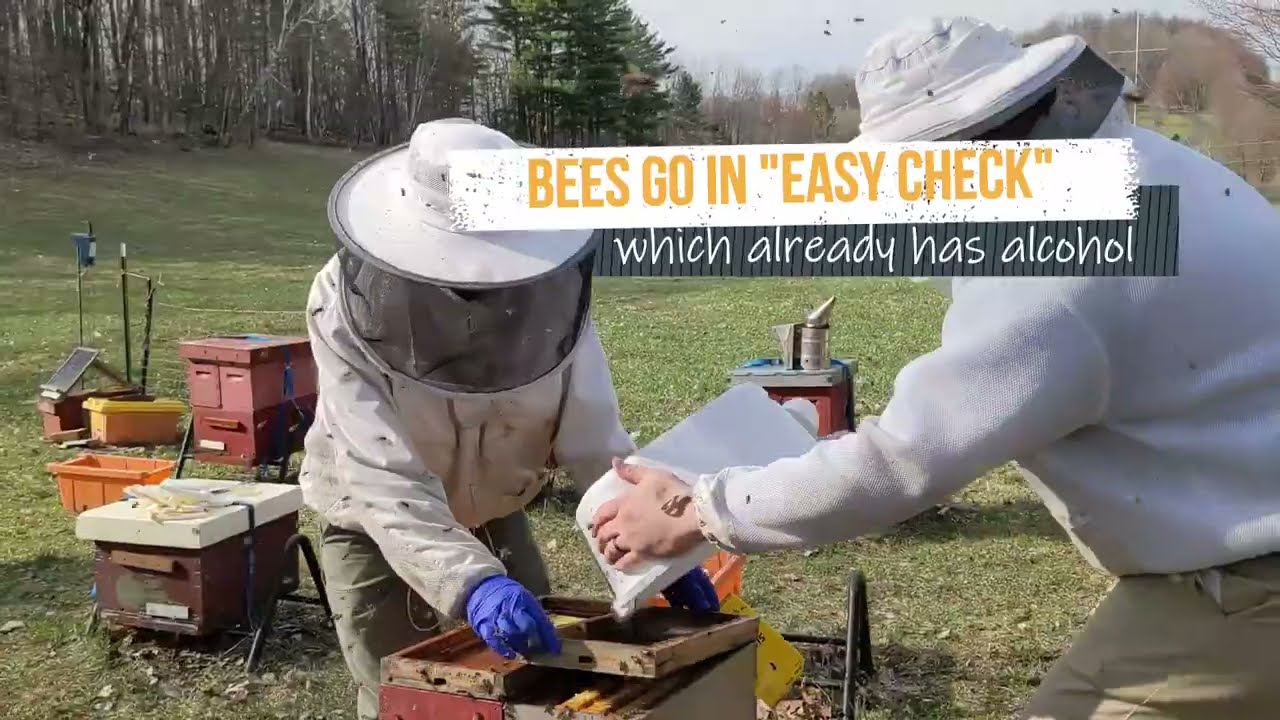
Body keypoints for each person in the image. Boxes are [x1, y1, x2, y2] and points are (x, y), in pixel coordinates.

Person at [590, 16, 1280, 720]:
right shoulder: (1153, 166)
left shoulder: (1059, 262)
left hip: (1247, 581)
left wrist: (701, 512)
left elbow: (902, 464)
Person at [300, 118, 719, 720]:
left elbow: (595, 444)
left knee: (537, 683)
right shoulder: (343, 304)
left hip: (495, 509)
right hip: (374, 523)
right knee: (404, 696)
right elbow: (380, 475)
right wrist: (473, 584)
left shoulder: (553, 295)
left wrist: (661, 559)